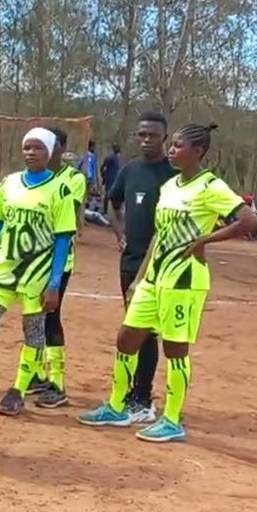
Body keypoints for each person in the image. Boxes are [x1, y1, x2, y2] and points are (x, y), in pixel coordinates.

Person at [78, 123, 257, 442]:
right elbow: (159, 234)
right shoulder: (171, 185)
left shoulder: (210, 186)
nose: (172, 150)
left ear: (198, 152)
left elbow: (248, 221)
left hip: (185, 277)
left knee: (175, 348)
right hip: (155, 275)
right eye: (171, 145)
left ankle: (172, 419)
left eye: (178, 146)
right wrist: (139, 279)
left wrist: (205, 239)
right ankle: (118, 405)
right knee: (126, 338)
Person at [0, 127, 75, 416]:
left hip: (37, 274)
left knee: (33, 331)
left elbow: (62, 240)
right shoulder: (9, 183)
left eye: (38, 148)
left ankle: (18, 390)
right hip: (4, 270)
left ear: (50, 152)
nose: (31, 153)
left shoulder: (60, 190)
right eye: (27, 147)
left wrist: (55, 283)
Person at [104, 111, 176, 423]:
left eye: (153, 135)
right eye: (141, 135)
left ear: (165, 137)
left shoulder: (173, 173)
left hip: (160, 263)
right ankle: (128, 393)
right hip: (130, 260)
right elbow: (112, 201)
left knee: (147, 332)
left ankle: (142, 397)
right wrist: (119, 234)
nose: (146, 140)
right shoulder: (130, 169)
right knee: (130, 329)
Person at [35, 127, 88, 408]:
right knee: (35, 317)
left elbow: (65, 209)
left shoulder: (74, 178)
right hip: (33, 259)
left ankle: (57, 382)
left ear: (60, 148)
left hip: (58, 259)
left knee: (51, 316)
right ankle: (38, 373)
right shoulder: (32, 176)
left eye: (47, 145)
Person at [99, 142, 121, 214]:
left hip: (116, 178)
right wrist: (104, 176)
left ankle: (114, 210)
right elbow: (102, 168)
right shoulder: (109, 158)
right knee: (108, 194)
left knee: (113, 194)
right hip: (110, 179)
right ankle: (105, 211)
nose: (118, 149)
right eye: (116, 147)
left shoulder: (117, 158)